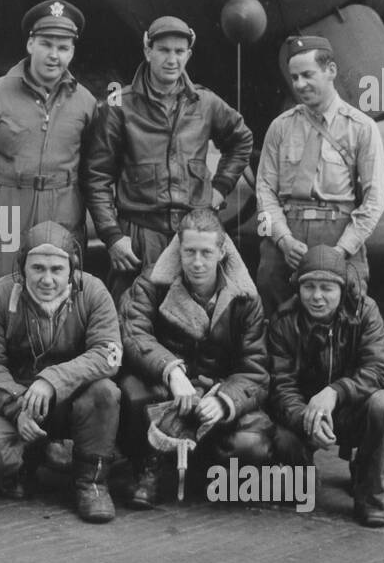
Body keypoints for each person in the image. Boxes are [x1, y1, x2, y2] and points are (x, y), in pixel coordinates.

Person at [85, 16, 253, 301]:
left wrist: (220, 188)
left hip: (193, 232)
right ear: (147, 51)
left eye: (179, 51)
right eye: (163, 50)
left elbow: (242, 140)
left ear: (188, 55)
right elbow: (96, 177)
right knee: (133, 311)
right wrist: (112, 236)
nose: (172, 59)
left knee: (196, 312)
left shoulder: (205, 102)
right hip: (141, 234)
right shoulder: (119, 106)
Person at [0, 222, 122, 523]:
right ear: (22, 267)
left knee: (105, 392)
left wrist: (53, 380)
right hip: (19, 397)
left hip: (72, 398)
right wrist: (17, 409)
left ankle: (92, 483)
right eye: (37, 268)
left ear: (72, 269)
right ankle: (27, 461)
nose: (47, 279)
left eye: (56, 269)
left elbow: (108, 354)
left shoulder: (93, 292)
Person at [117, 208, 273, 509]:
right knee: (132, 392)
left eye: (206, 252)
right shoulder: (152, 283)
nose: (197, 262)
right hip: (167, 390)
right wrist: (172, 371)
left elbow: (255, 369)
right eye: (189, 251)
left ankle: (203, 466)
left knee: (252, 445)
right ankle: (146, 467)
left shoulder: (246, 298)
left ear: (222, 251)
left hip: (217, 391)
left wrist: (225, 401)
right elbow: (133, 333)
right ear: (179, 249)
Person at [0, 0, 98, 302]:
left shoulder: (85, 102)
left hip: (62, 207)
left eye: (63, 47)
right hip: (5, 205)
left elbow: (90, 166)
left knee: (56, 294)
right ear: (30, 44)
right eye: (46, 44)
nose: (54, 55)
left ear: (72, 51)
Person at [267, 245, 384, 528]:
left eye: (327, 288)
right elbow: (281, 386)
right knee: (296, 488)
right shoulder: (283, 321)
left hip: (350, 407)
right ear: (298, 287)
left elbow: (380, 369)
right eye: (309, 287)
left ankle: (371, 496)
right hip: (303, 413)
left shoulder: (366, 311)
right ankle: (301, 473)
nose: (317, 296)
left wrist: (336, 392)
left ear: (342, 288)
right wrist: (307, 419)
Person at [254, 34, 384, 316]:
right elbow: (264, 190)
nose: (299, 84)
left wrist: (342, 250)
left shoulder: (361, 128)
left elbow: (375, 200)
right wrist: (283, 239)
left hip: (338, 233)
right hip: (287, 231)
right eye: (294, 77)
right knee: (274, 308)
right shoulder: (280, 127)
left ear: (331, 71)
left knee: (347, 312)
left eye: (307, 75)